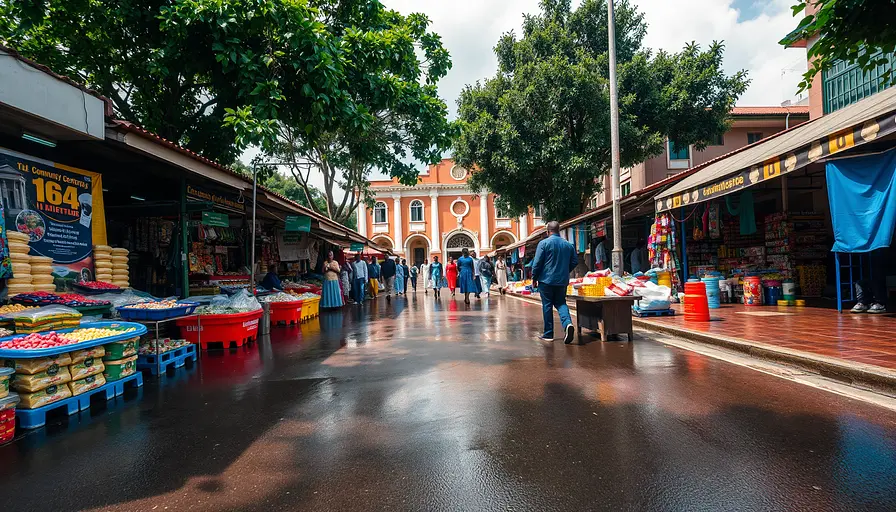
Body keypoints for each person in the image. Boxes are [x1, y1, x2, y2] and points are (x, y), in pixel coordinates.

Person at [532, 221, 578, 344]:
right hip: (562, 281)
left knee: (547, 305)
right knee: (561, 303)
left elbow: (537, 264)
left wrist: (534, 278)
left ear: (547, 231)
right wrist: (565, 271)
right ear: (559, 230)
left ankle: (548, 334)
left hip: (545, 280)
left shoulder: (543, 243)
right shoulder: (568, 245)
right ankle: (568, 324)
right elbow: (574, 261)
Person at [852, 248, 888, 314]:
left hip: (877, 250)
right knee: (861, 277)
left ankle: (880, 303)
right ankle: (863, 302)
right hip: (862, 251)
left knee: (876, 275)